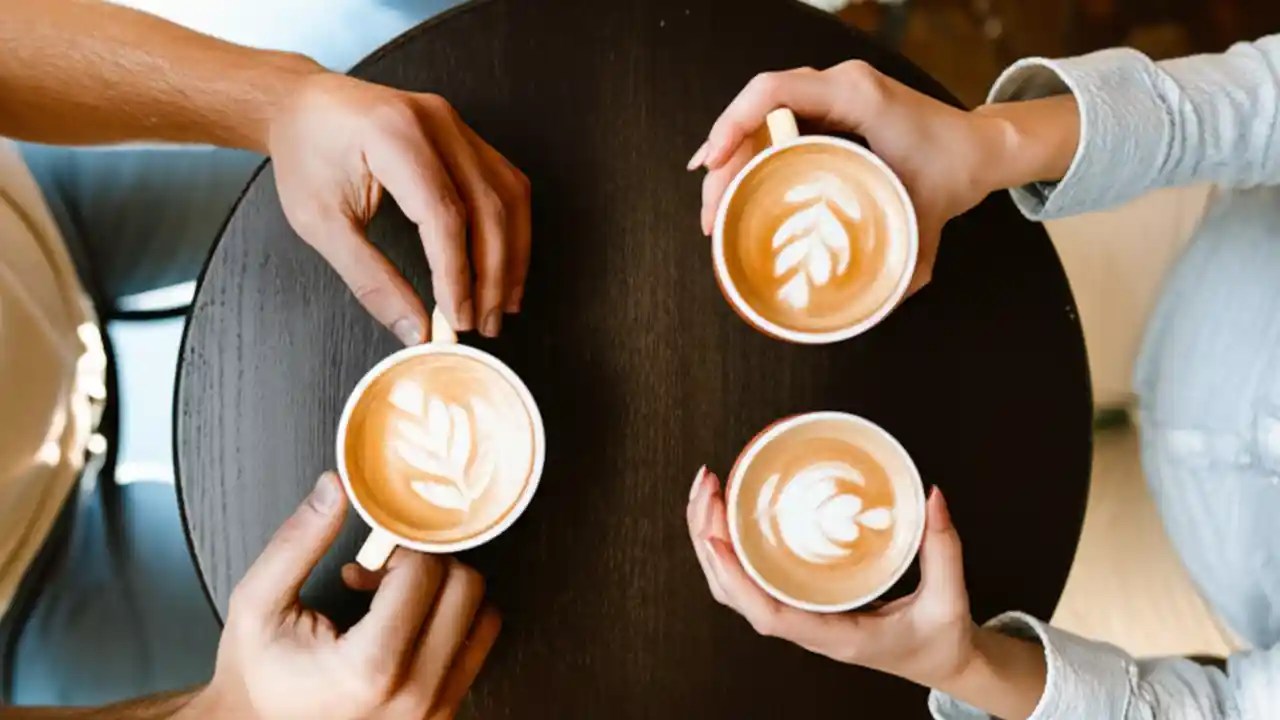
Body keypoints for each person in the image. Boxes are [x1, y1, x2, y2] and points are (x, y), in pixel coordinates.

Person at [686, 36, 1280, 719]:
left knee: (996, 566)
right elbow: (1259, 107)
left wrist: (965, 664)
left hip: (1205, 564)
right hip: (1200, 256)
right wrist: (992, 144)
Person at [1, 0, 529, 715]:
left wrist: (279, 100)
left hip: (37, 212)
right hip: (38, 589)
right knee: (436, 680)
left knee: (426, 112)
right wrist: (234, 709)